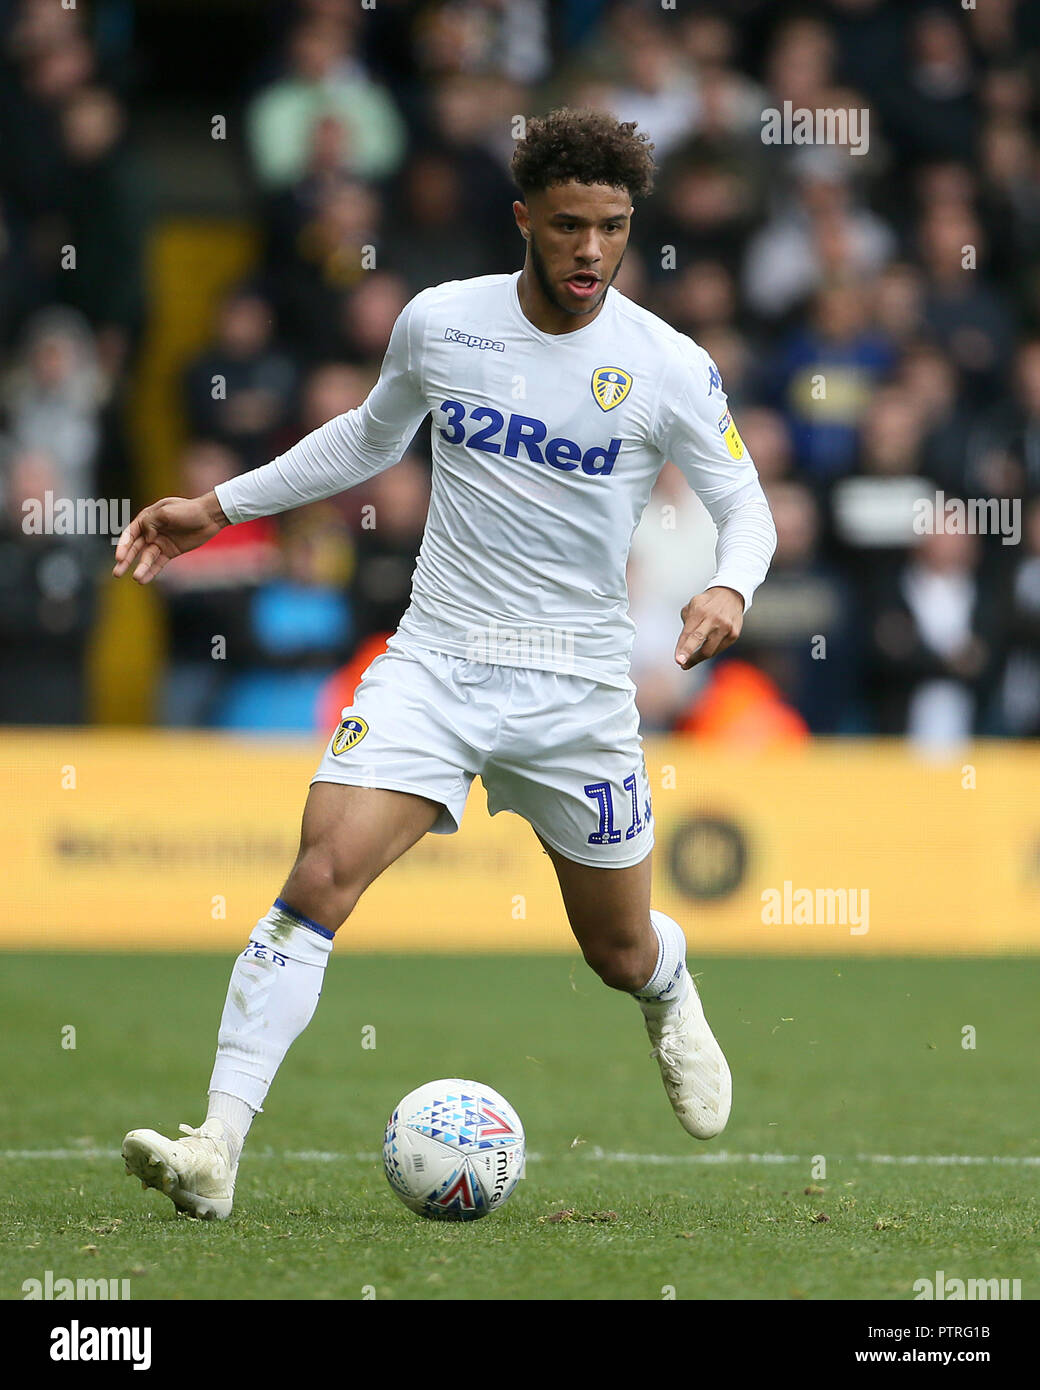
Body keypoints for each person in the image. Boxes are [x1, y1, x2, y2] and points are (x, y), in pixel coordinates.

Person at [112, 108, 776, 1220]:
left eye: (610, 228)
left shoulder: (666, 365)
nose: (587, 252)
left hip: (576, 689)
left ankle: (666, 986)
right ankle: (215, 1146)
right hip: (438, 660)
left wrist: (727, 585)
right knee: (317, 879)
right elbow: (368, 437)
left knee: (613, 949)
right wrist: (212, 510)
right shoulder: (441, 323)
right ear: (523, 218)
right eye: (566, 225)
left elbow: (741, 504)